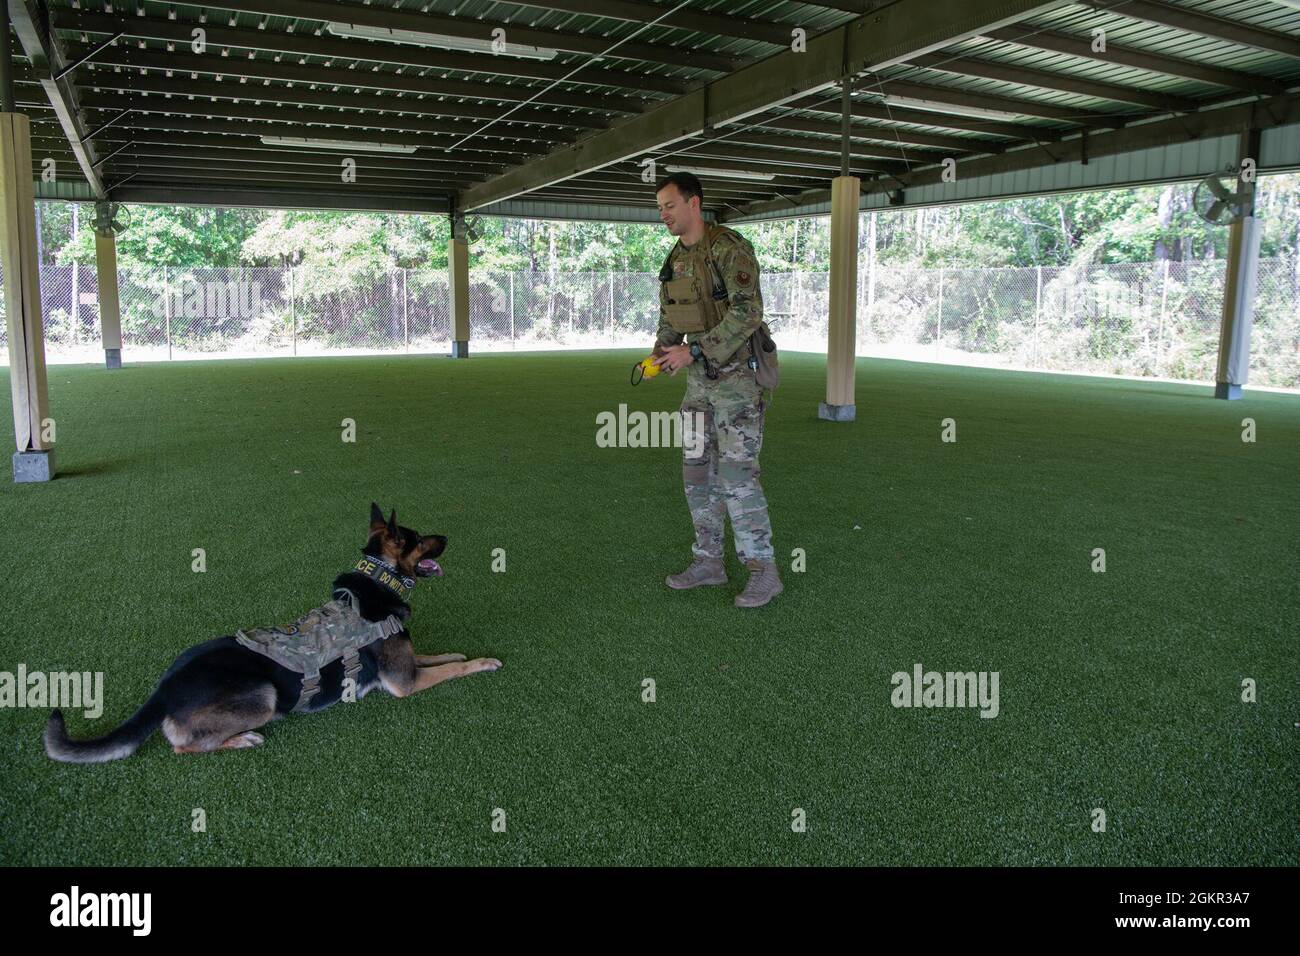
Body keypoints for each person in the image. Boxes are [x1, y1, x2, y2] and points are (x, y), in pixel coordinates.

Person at [651, 171, 781, 609]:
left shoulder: (729, 248)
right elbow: (671, 313)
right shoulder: (674, 259)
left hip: (737, 382)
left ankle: (764, 571)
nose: (664, 215)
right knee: (696, 475)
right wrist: (661, 351)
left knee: (737, 476)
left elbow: (749, 311)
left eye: (670, 206)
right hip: (697, 387)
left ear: (694, 204)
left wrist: (696, 352)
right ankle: (708, 561)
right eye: (660, 209)